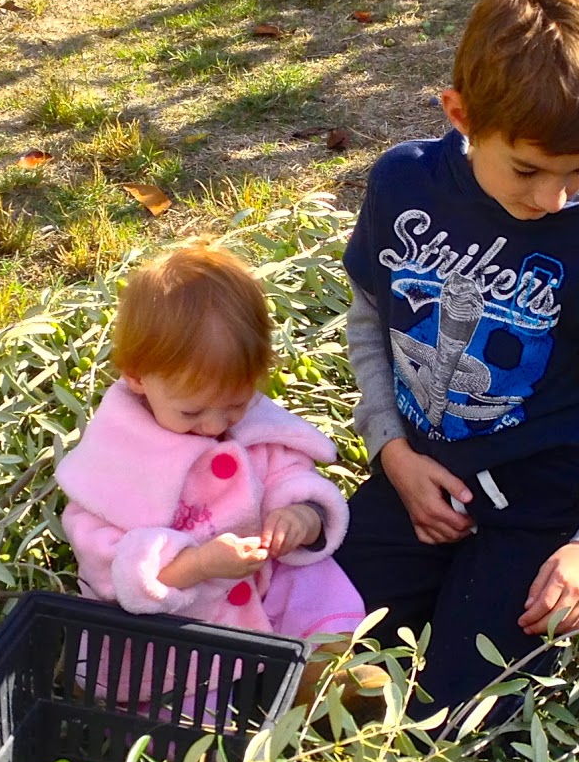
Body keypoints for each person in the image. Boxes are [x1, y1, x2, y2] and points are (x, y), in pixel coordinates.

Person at [335, 0, 579, 720]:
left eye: (578, 171)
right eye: (527, 169)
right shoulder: (402, 186)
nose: (551, 196)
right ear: (459, 113)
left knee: (460, 720)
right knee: (316, 650)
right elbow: (371, 317)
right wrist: (391, 451)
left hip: (537, 503)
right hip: (415, 473)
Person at [57, 244, 368, 655]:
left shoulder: (257, 430)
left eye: (237, 404)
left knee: (311, 581)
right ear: (136, 378)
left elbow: (292, 476)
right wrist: (200, 564)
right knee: (157, 666)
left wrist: (300, 516)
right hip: (182, 625)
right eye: (192, 411)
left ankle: (324, 669)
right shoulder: (114, 462)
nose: (216, 425)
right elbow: (109, 568)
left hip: (265, 591)